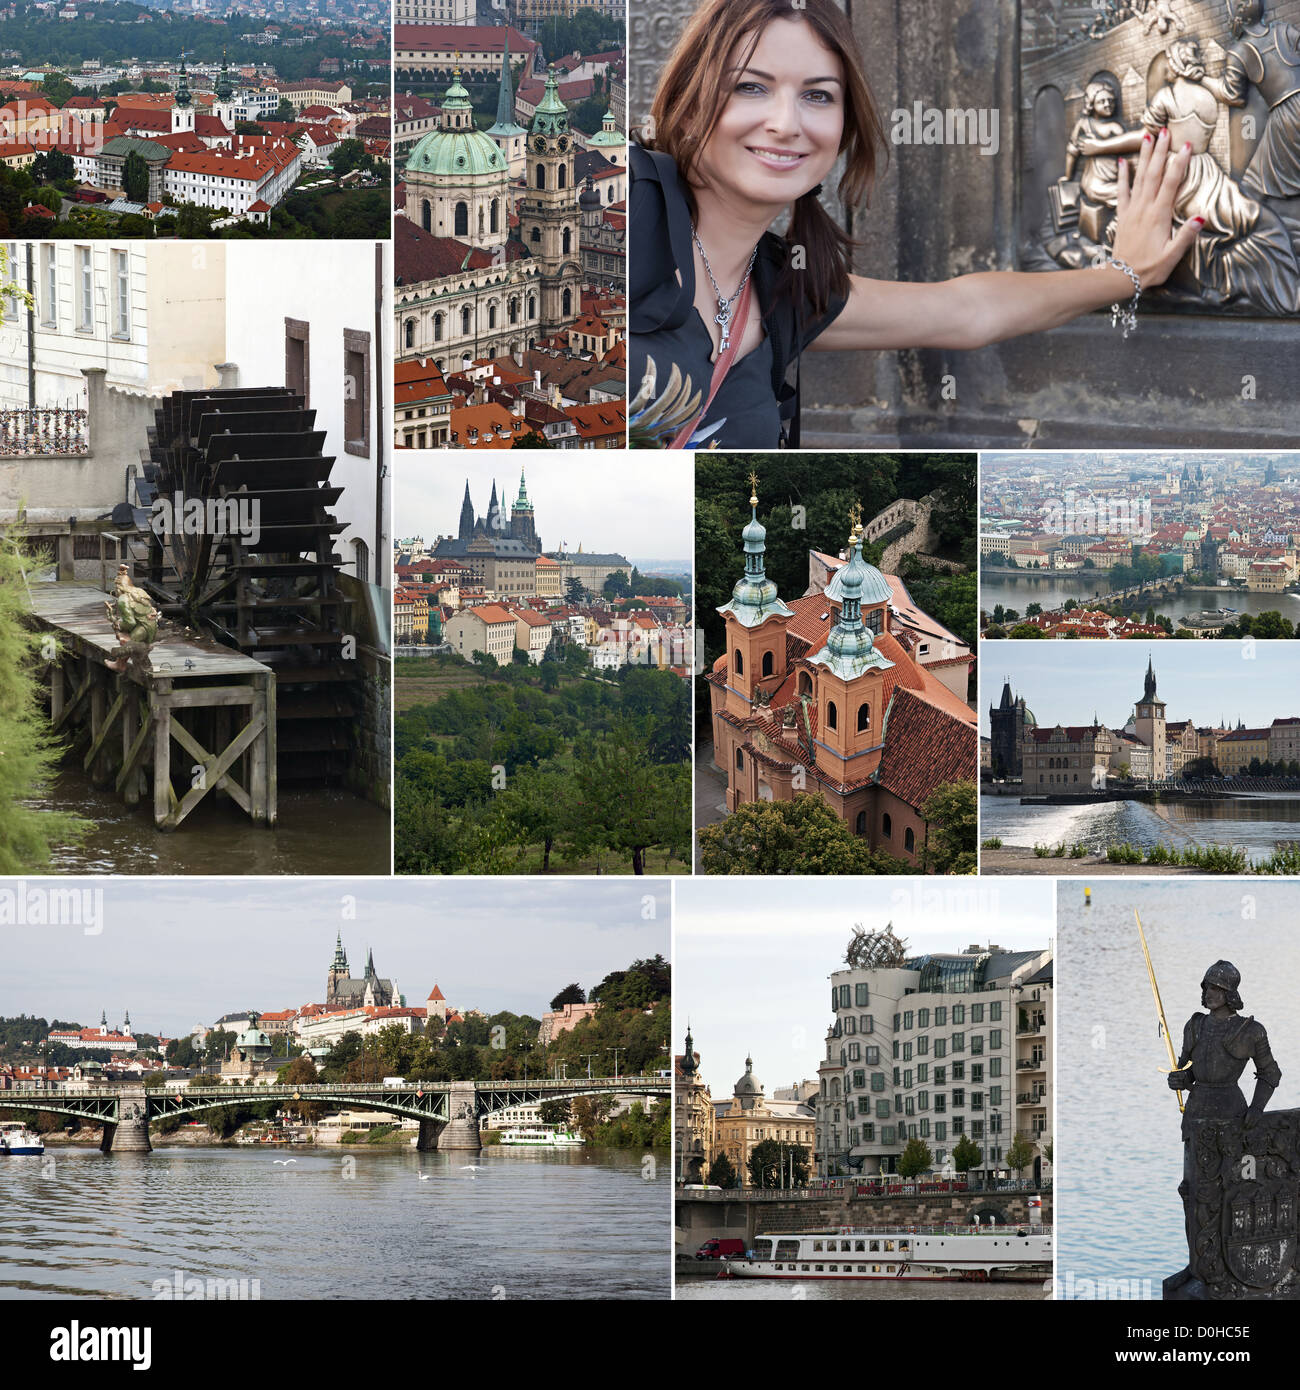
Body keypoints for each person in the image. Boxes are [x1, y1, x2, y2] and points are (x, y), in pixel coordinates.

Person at [630, 0, 1203, 448]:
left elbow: (966, 312)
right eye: (750, 86)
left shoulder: (781, 291)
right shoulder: (624, 208)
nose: (786, 122)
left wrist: (1125, 272)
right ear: (691, 95)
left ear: (844, 126)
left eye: (819, 96)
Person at [1166, 959, 1281, 1278]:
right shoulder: (1195, 1025)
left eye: (1217, 988)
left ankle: (1225, 1269)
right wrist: (1179, 1081)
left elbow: (1271, 1074)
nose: (1210, 993)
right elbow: (1186, 1073)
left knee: (1229, 1194)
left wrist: (1256, 1110)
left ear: (1231, 992)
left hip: (1232, 1115)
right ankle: (1196, 1266)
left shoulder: (1250, 1030)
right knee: (1191, 1192)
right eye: (1207, 986)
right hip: (1196, 1115)